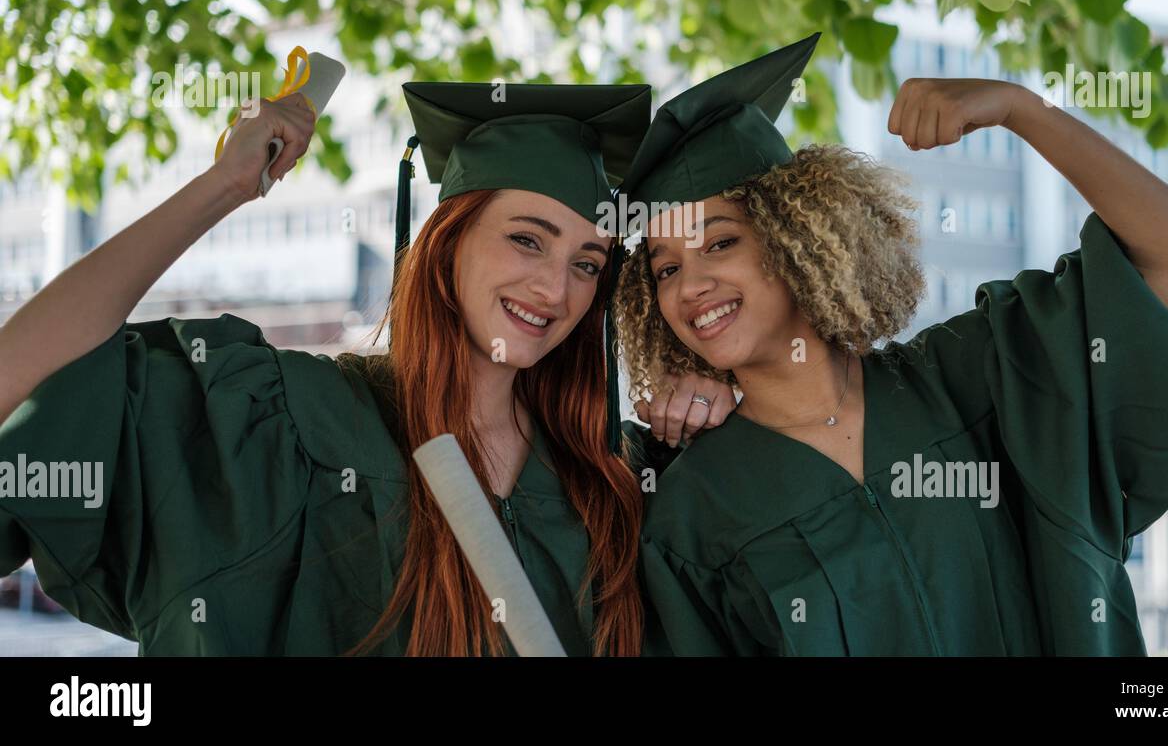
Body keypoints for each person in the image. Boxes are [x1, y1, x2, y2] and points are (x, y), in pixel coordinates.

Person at [0, 75, 734, 656]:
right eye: (526, 240)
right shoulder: (286, 422)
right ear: (446, 246)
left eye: (587, 263)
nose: (556, 289)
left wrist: (715, 407)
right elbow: (22, 378)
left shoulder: (611, 474)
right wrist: (225, 185)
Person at [614, 33, 1168, 655]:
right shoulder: (692, 513)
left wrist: (1024, 110)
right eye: (666, 268)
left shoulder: (978, 374)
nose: (692, 283)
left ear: (799, 239)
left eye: (721, 242)